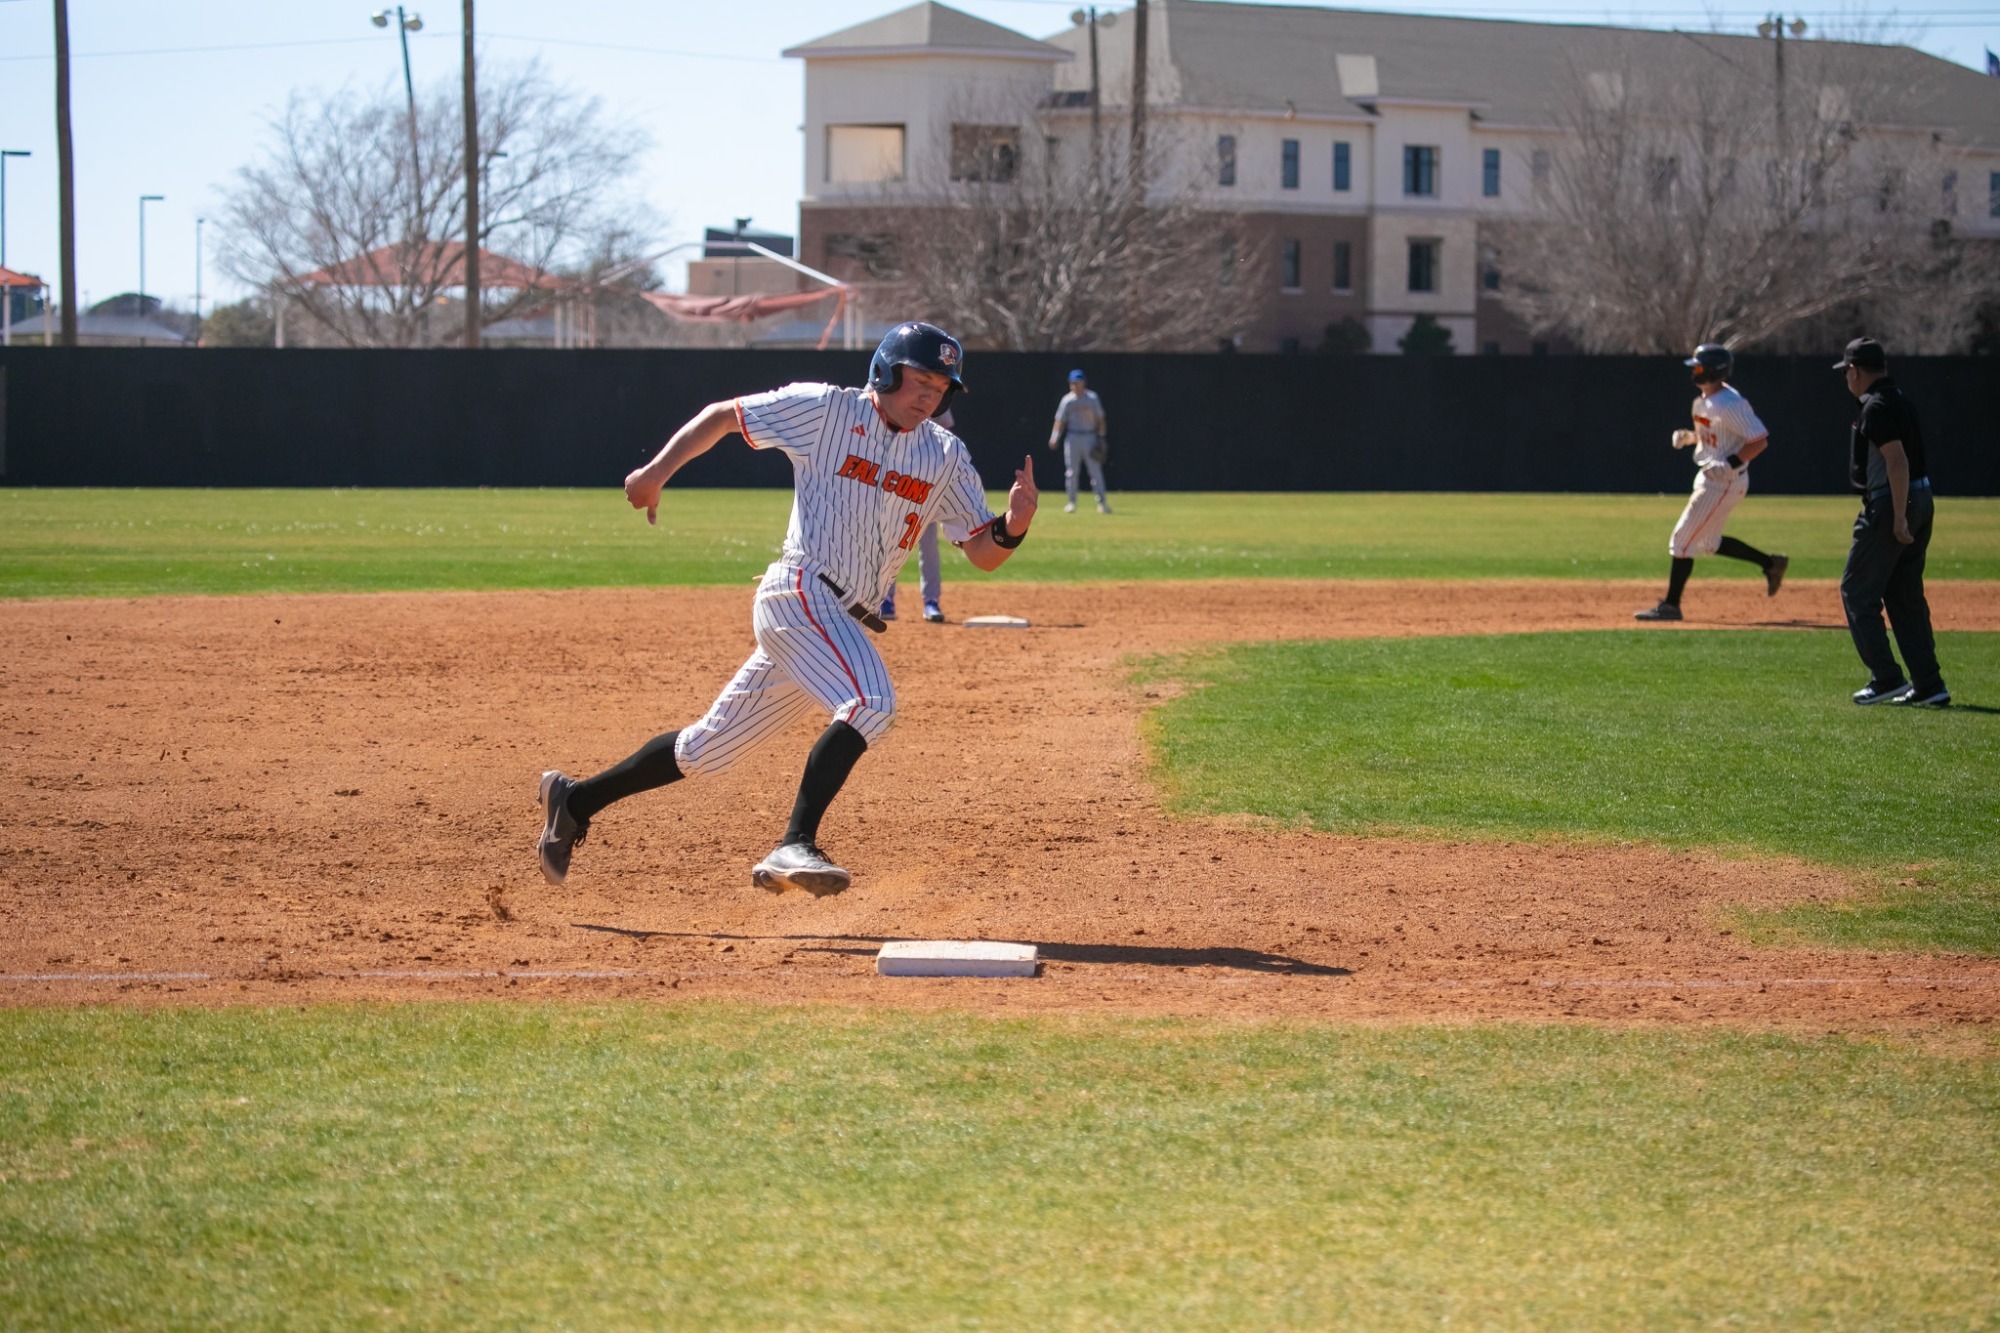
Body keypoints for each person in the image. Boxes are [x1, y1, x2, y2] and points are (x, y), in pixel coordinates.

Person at [535, 322, 1038, 896]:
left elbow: (981, 551)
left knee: (705, 751)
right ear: (886, 370)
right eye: (920, 378)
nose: (930, 394)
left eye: (942, 385)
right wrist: (655, 474)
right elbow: (726, 415)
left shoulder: (944, 454)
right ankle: (794, 842)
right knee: (870, 703)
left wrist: (1013, 525)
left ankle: (573, 800)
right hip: (799, 593)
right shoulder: (826, 411)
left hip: (839, 624)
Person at [1635, 344, 1788, 621]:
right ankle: (1771, 563)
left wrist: (1731, 463)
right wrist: (1690, 438)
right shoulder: (1702, 401)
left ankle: (1671, 605)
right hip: (1709, 475)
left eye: (1699, 367)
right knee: (1707, 542)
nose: (1694, 371)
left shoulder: (1731, 403)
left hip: (1725, 481)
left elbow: (1759, 440)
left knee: (1681, 540)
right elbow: (1712, 436)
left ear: (1714, 370)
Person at [1836, 337, 1949, 706]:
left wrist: (1898, 517)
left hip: (1891, 503)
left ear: (1855, 370)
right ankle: (1929, 685)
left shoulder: (1875, 405)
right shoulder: (1899, 398)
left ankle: (1886, 677)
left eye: (1847, 372)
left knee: (1856, 591)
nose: (1846, 379)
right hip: (1922, 497)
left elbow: (1896, 461)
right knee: (1904, 595)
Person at [881, 409, 952, 625]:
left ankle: (931, 600)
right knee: (890, 542)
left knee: (928, 545)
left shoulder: (938, 401)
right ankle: (885, 598)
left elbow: (947, 437)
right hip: (895, 481)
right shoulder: (894, 397)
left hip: (927, 483)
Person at [1048, 368, 1110, 514]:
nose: (1075, 385)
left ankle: (1102, 503)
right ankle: (1071, 502)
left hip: (1089, 437)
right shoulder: (1067, 400)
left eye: (1078, 382)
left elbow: (1100, 418)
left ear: (1083, 382)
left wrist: (1101, 436)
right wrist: (1054, 436)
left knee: (1095, 472)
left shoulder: (1092, 398)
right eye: (1073, 382)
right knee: (1071, 472)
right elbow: (1059, 420)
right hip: (1073, 437)